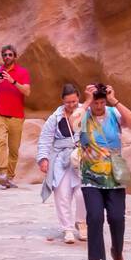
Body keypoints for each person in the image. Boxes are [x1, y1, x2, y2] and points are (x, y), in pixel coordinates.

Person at [80, 82, 131, 260]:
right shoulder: (84, 114)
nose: (99, 106)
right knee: (94, 217)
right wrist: (86, 101)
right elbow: (72, 123)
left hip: (114, 176)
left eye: (102, 102)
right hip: (90, 177)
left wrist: (114, 100)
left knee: (117, 217)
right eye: (96, 102)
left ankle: (117, 253)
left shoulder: (113, 113)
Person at [37, 83, 87, 242]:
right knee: (62, 193)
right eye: (68, 102)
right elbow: (45, 139)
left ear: (78, 98)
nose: (71, 105)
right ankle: (67, 229)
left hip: (81, 157)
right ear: (62, 101)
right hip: (61, 158)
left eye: (74, 101)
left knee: (83, 192)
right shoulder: (55, 118)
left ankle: (82, 222)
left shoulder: (85, 112)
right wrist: (43, 159)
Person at [0, 44, 30, 188]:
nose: (7, 57)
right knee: (1, 141)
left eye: (10, 55)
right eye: (5, 55)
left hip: (16, 116)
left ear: (15, 56)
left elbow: (27, 92)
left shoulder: (22, 72)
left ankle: (9, 177)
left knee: (14, 149)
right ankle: (3, 173)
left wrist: (13, 81)